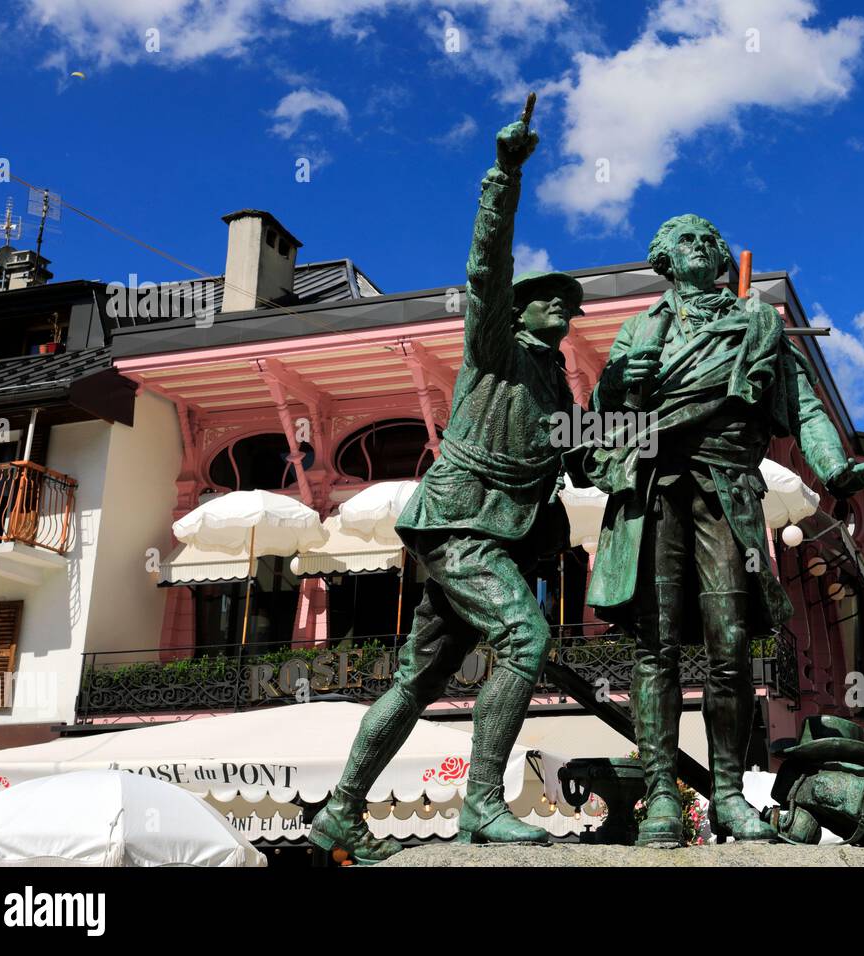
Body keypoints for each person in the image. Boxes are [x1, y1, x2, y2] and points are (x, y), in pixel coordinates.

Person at [309, 104, 585, 863]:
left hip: (498, 537)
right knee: (524, 638)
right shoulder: (495, 345)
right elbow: (485, 266)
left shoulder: (560, 392)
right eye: (550, 297)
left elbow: (585, 459)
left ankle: (338, 812)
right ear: (522, 309)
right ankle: (484, 805)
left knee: (419, 678)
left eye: (570, 302)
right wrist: (507, 175)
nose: (563, 307)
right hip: (461, 523)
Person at [578, 214, 864, 845]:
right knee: (655, 648)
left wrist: (836, 468)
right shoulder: (640, 328)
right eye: (684, 241)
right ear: (664, 260)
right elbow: (602, 419)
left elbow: (804, 408)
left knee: (729, 647)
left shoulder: (759, 326)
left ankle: (727, 795)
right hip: (653, 490)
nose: (699, 247)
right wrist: (618, 385)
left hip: (727, 492)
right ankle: (662, 795)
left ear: (721, 255)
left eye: (707, 239)